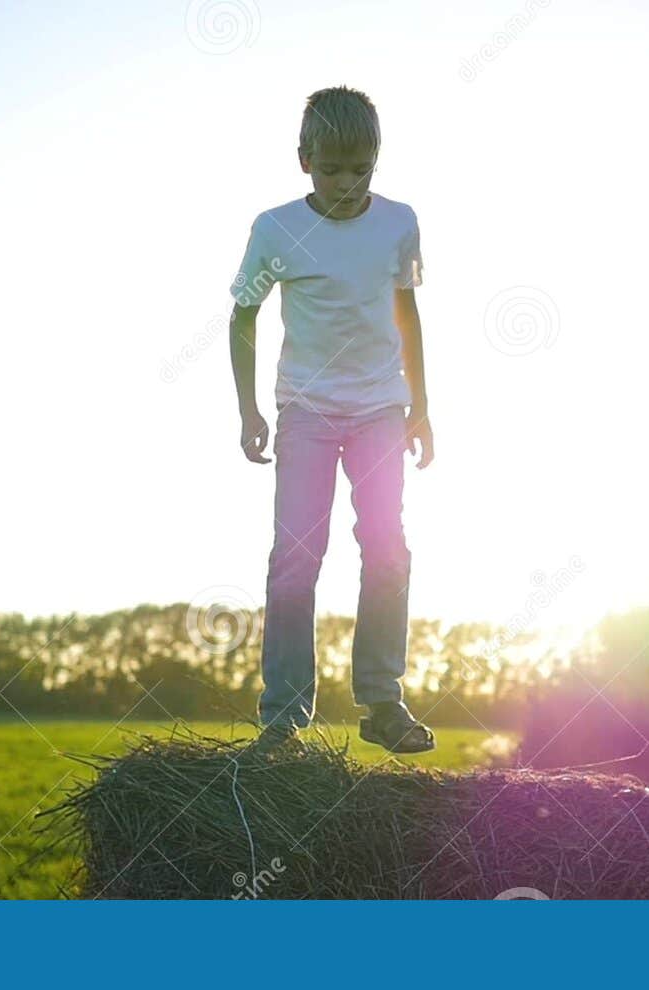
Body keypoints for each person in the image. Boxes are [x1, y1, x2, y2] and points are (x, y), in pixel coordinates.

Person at [228, 85, 436, 755]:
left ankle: (381, 702)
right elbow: (242, 314)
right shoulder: (275, 228)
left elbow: (407, 314)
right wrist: (250, 409)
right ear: (303, 160)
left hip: (381, 408)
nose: (347, 184)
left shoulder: (399, 222)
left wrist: (423, 407)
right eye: (332, 168)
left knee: (387, 550)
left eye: (361, 169)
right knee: (295, 558)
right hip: (306, 414)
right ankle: (285, 717)